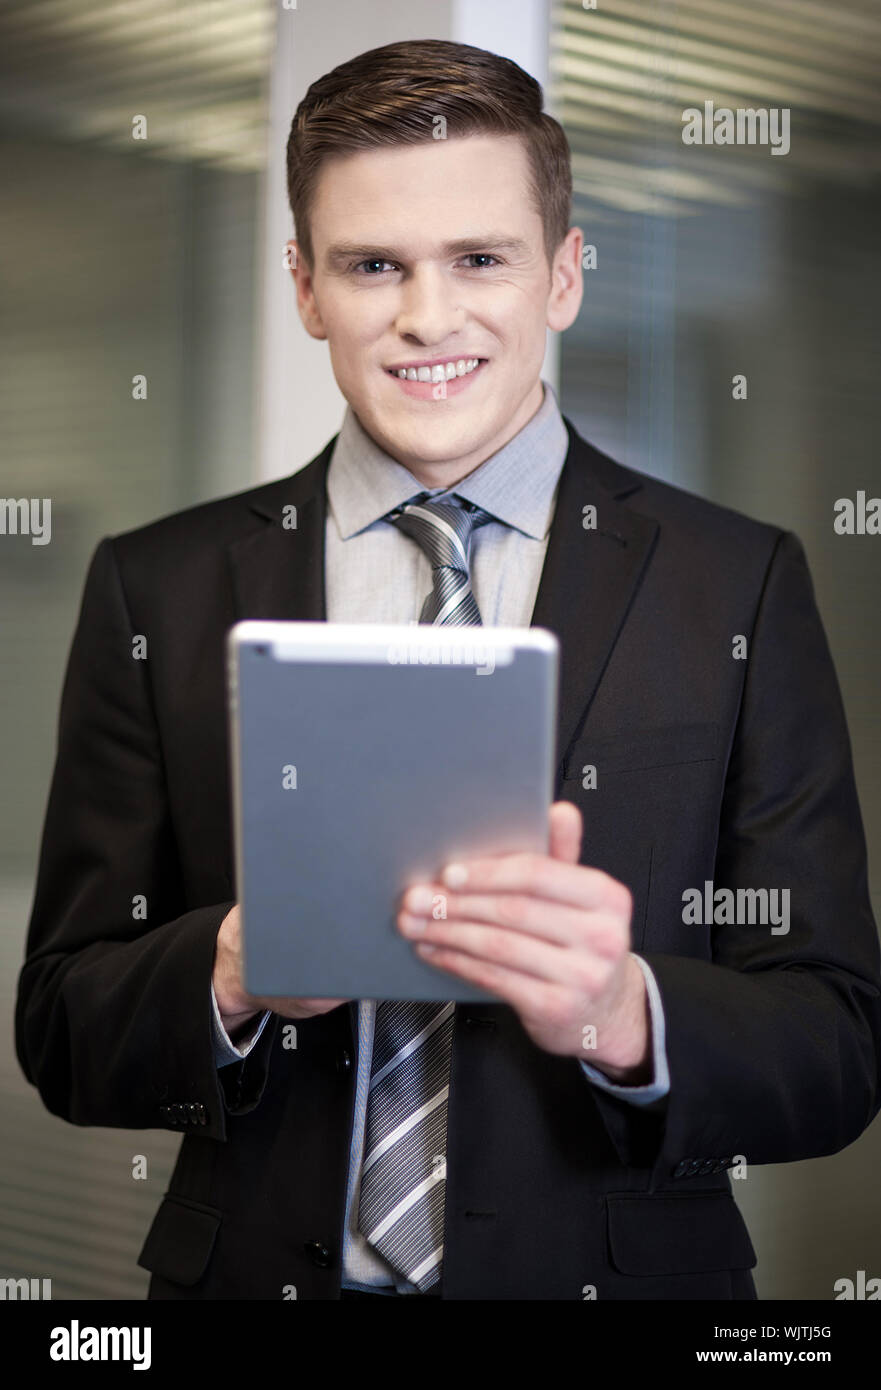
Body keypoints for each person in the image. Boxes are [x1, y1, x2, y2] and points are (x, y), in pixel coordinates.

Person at [15, 39, 881, 1301]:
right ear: (305, 287)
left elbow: (838, 1041)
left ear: (564, 275)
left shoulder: (735, 582)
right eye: (374, 265)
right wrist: (234, 972)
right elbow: (61, 1026)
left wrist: (622, 1009)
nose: (428, 316)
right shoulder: (160, 587)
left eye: (480, 258)